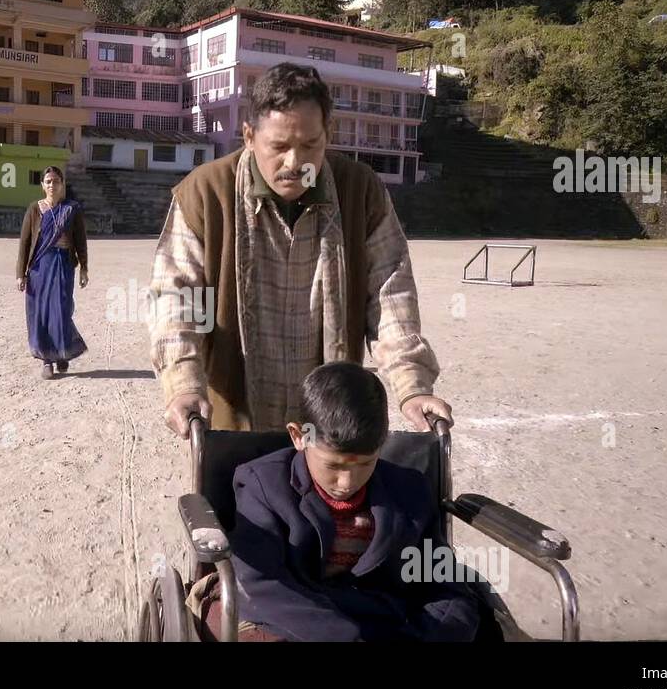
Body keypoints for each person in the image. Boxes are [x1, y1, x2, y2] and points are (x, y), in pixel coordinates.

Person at [148, 62, 452, 436]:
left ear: (329, 133)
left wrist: (412, 386)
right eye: (279, 146)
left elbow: (391, 294)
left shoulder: (361, 190)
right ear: (248, 135)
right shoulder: (205, 194)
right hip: (235, 427)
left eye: (310, 145)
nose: (294, 162)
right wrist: (183, 385)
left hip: (330, 428)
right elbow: (178, 300)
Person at [220, 361, 480, 642]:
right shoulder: (263, 485)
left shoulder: (409, 492)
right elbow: (259, 584)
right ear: (299, 436)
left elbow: (444, 584)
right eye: (333, 466)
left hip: (385, 624)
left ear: (382, 444)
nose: (347, 482)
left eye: (365, 464)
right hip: (297, 623)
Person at [16, 166, 88, 380]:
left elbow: (81, 241)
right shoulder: (34, 209)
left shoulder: (72, 209)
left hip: (63, 264)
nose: (52, 185)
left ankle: (63, 351)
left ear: (62, 184)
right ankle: (48, 360)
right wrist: (20, 273)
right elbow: (25, 242)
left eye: (56, 181)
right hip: (39, 267)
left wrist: (84, 267)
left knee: (62, 310)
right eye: (48, 181)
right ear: (42, 185)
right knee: (42, 313)